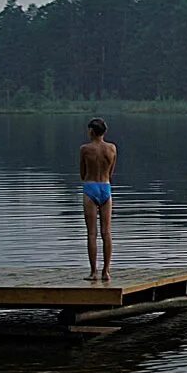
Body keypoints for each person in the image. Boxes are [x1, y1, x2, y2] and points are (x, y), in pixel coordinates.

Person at [79, 117, 117, 281]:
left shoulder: (85, 149)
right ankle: (106, 272)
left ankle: (94, 272)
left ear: (92, 131)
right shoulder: (112, 148)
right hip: (105, 188)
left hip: (90, 187)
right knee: (106, 232)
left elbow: (82, 172)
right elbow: (111, 173)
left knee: (92, 233)